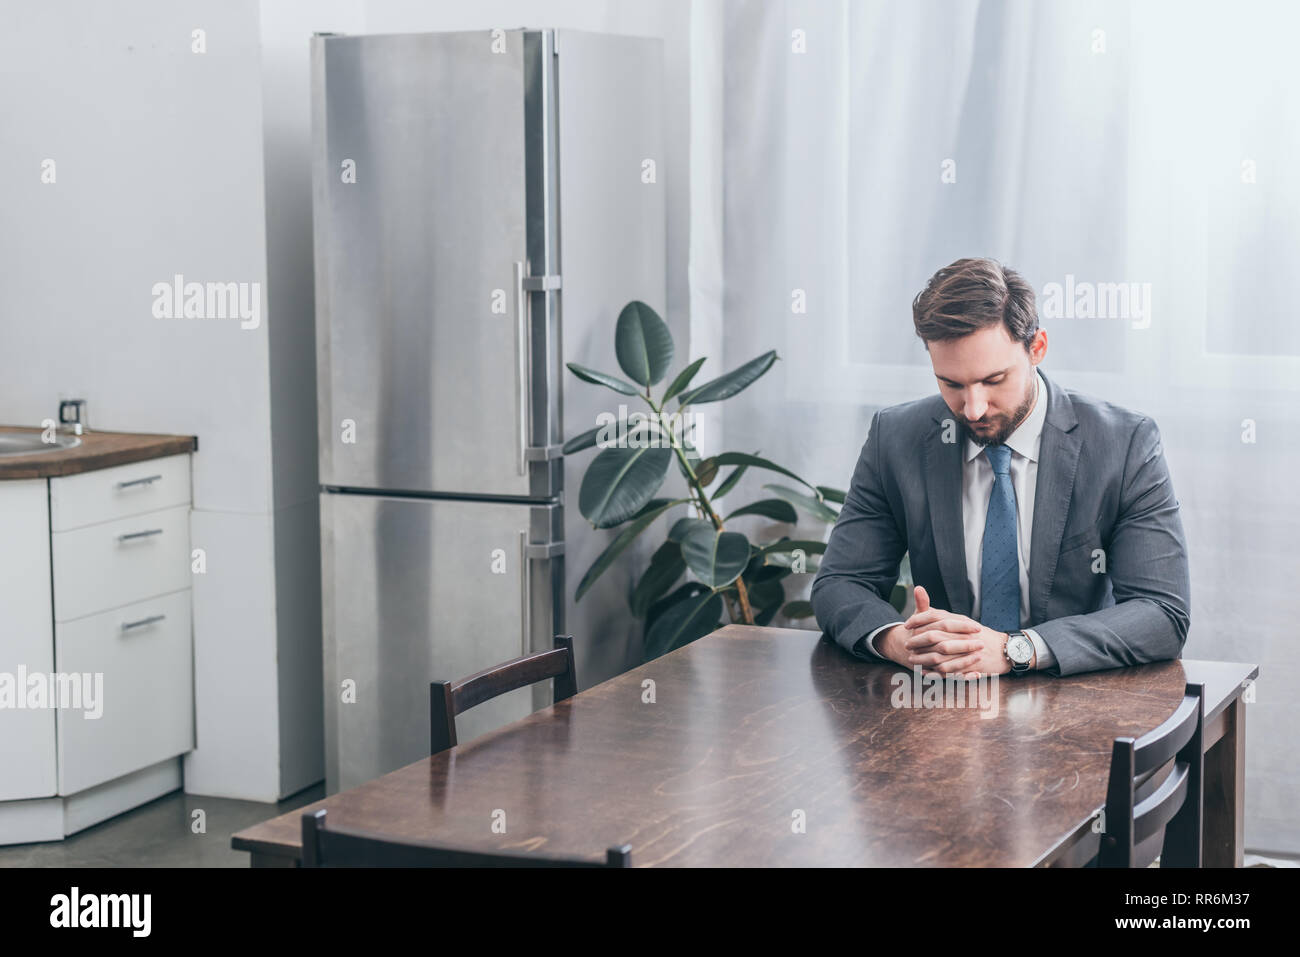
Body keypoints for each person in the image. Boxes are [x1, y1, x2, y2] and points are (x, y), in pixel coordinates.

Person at [811, 257, 1190, 678]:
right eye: (951, 384)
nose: (972, 409)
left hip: (1077, 700)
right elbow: (840, 583)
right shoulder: (896, 438)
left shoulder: (1124, 444)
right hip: (946, 705)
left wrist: (1018, 650)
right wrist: (900, 642)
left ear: (1037, 348)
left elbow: (1161, 613)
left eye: (993, 380)